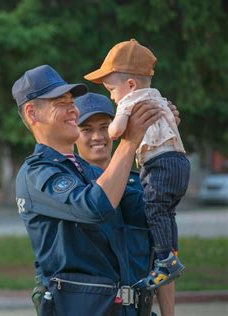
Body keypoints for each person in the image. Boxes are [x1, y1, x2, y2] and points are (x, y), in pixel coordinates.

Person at [13, 64, 162, 315]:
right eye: (60, 102)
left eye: (72, 100)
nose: (73, 109)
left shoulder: (88, 171)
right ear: (32, 113)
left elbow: (150, 211)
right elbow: (95, 206)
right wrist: (129, 142)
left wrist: (161, 145)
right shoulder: (36, 174)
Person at [84, 39, 190, 292]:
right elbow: (170, 124)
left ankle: (166, 260)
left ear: (130, 85)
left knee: (155, 209)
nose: (111, 95)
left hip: (158, 163)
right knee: (165, 213)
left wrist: (119, 129)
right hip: (179, 162)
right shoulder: (158, 98)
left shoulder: (129, 102)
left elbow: (117, 130)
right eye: (87, 129)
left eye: (111, 89)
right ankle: (170, 253)